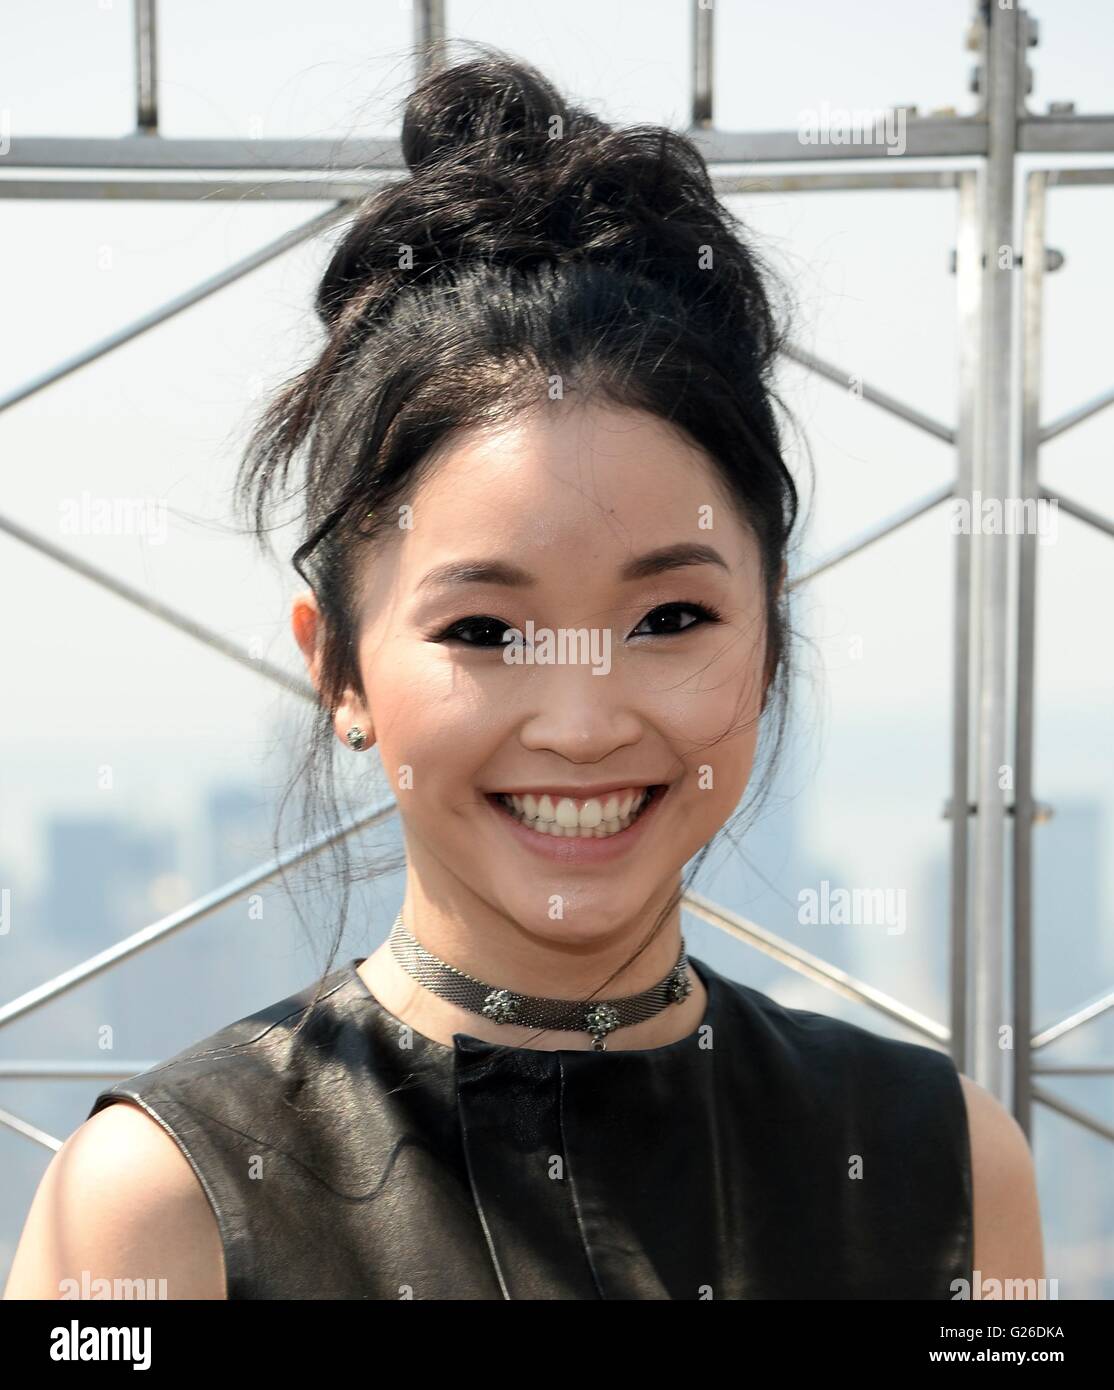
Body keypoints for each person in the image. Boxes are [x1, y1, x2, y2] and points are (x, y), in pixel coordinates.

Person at [4, 44, 1043, 1301]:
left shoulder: (949, 1169)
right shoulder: (151, 1210)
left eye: (668, 616)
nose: (584, 718)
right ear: (336, 669)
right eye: (485, 632)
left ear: (769, 638)